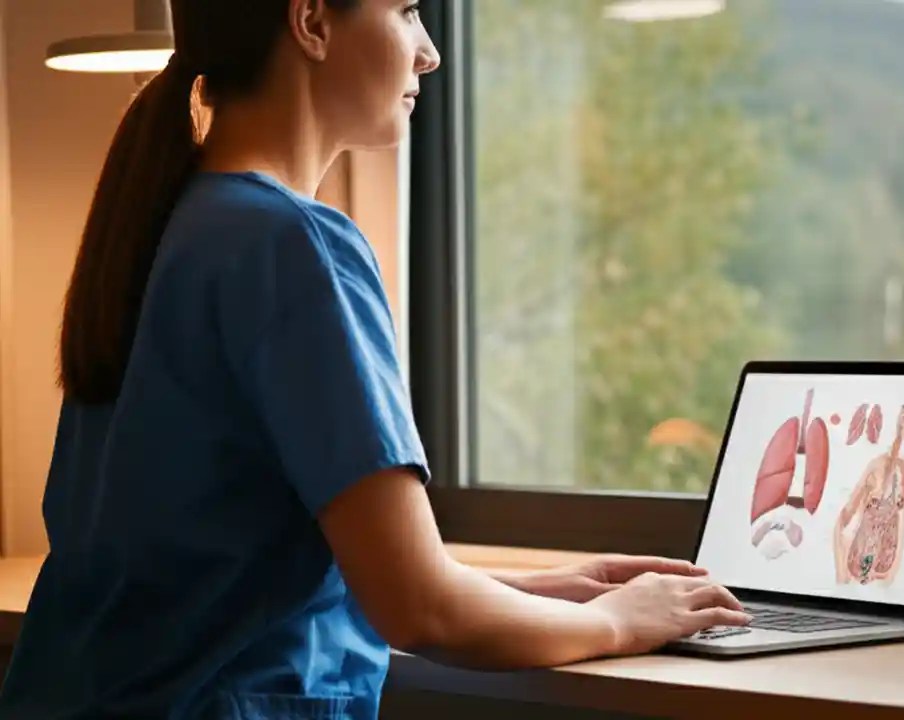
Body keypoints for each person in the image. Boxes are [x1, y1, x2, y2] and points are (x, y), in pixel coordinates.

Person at [0, 1, 750, 717]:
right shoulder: (293, 246)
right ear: (312, 21)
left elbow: (244, 561)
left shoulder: (167, 224)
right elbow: (420, 611)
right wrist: (620, 623)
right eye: (405, 12)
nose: (429, 50)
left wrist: (546, 590)